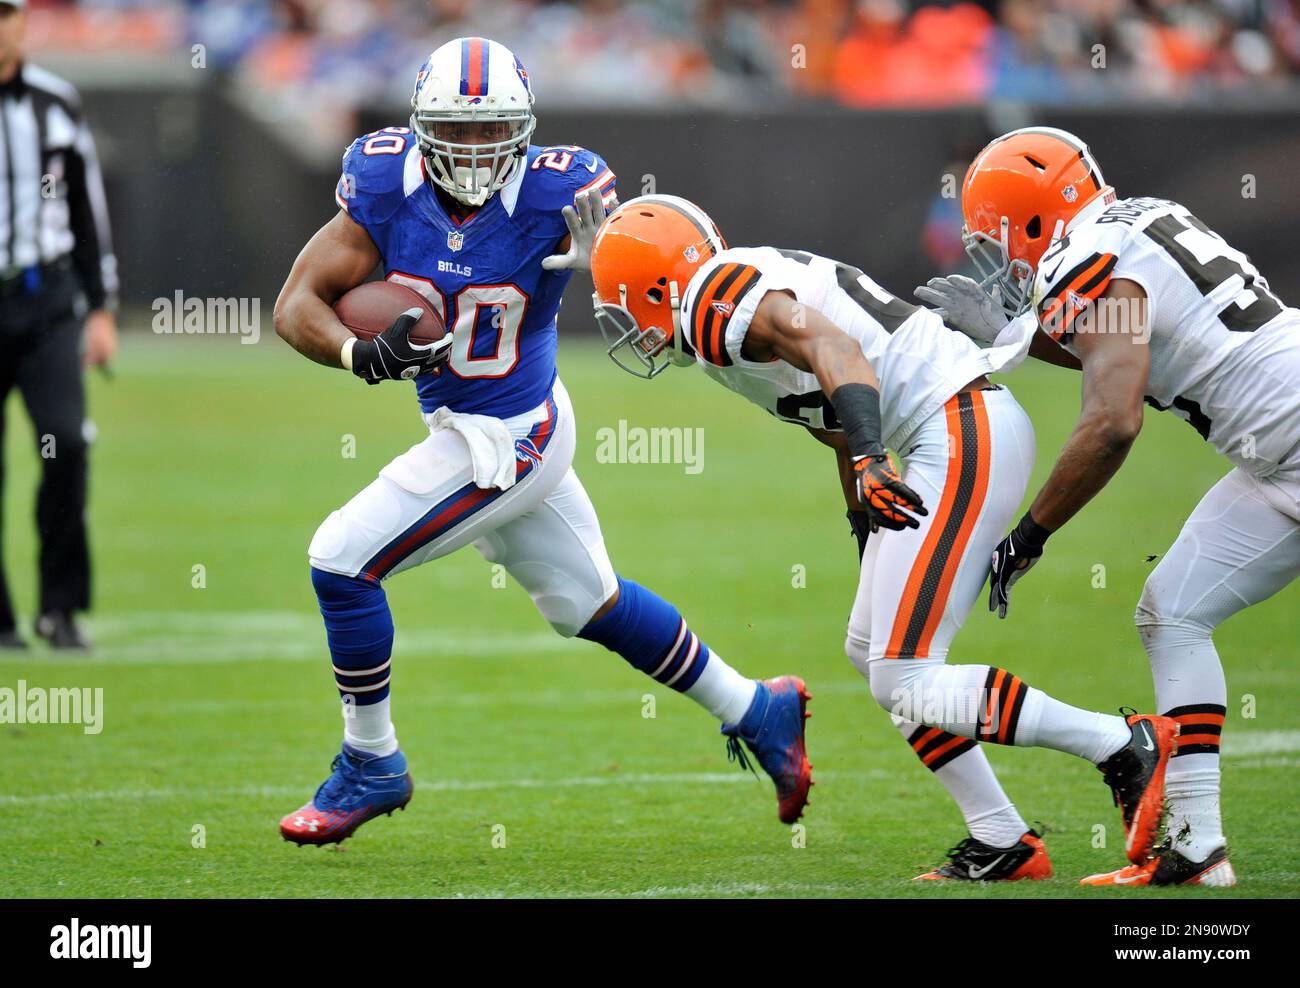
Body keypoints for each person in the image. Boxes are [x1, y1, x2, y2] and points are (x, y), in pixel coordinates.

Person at [271, 38, 811, 846]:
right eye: (458, 127)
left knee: (341, 558)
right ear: (421, 126)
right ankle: (757, 709)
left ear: (524, 130)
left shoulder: (562, 191)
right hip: (473, 424)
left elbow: (666, 255)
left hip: (512, 435)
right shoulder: (384, 184)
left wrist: (616, 265)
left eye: (495, 130)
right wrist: (358, 352)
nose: (477, 147)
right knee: (585, 602)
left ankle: (371, 762)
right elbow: (296, 303)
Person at [588, 193, 1178, 881]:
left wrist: (874, 459)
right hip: (942, 431)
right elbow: (837, 421)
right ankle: (1002, 838)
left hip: (956, 428)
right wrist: (865, 529)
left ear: (659, 286)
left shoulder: (714, 296)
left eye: (625, 307)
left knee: (905, 673)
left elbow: (835, 351)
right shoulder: (726, 307)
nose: (627, 328)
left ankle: (1124, 746)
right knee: (872, 652)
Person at [918, 125, 1300, 886]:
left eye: (1001, 235)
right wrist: (1019, 333)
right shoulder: (1136, 220)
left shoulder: (1091, 257)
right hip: (1279, 452)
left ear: (1031, 218)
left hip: (1287, 440)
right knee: (1173, 610)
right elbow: (1120, 336)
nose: (1003, 256)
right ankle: (1195, 847)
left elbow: (1114, 420)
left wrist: (1032, 532)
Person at [0, 0, 118, 651]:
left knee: (66, 443)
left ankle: (60, 607)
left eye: (7, 12)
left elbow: (85, 204)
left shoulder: (54, 102)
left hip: (45, 301)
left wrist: (100, 307)